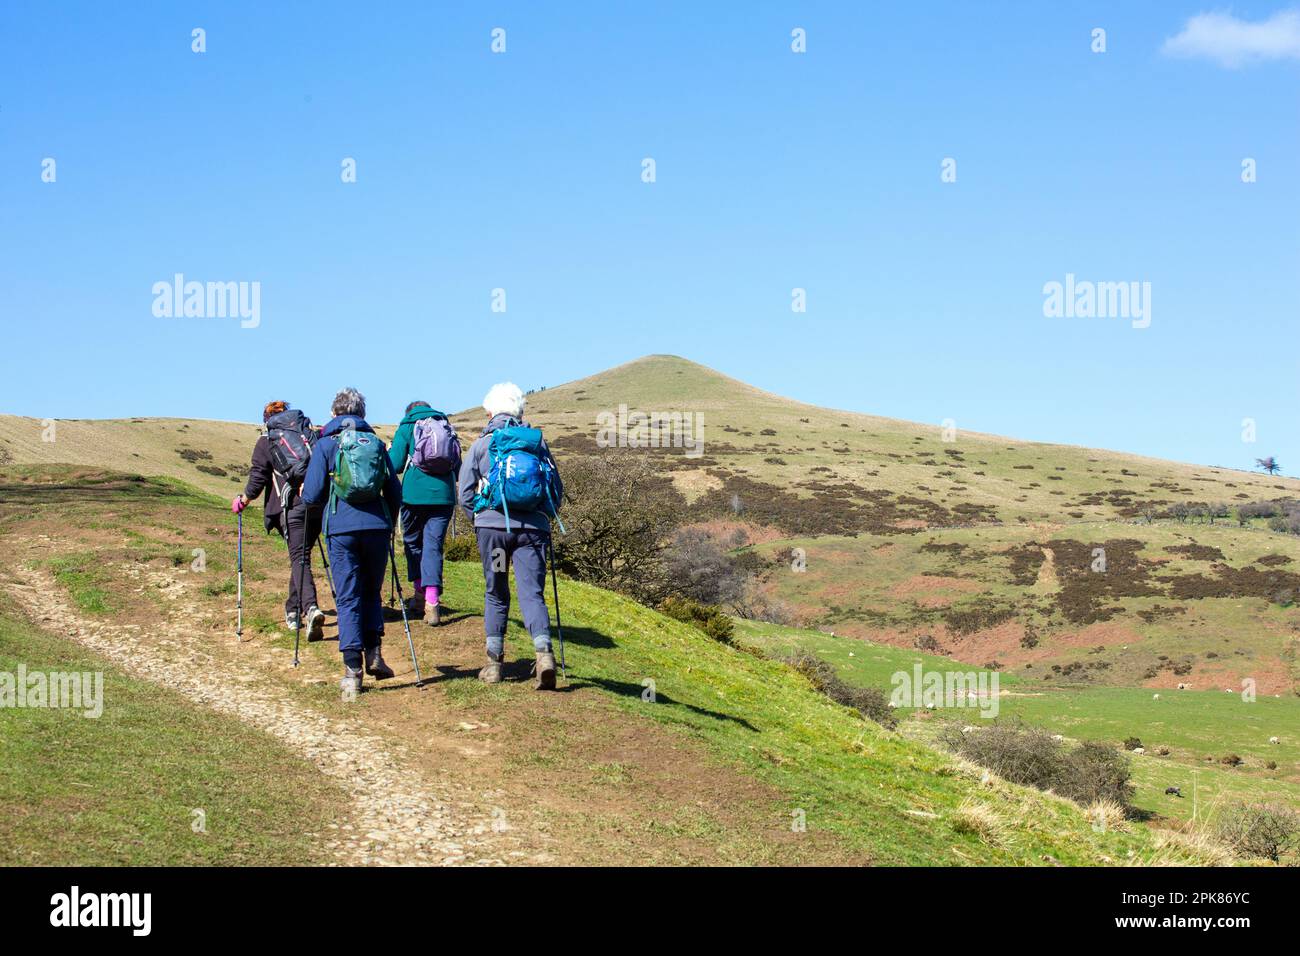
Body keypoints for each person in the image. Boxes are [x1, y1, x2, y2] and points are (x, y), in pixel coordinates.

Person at [457, 382, 563, 689]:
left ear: (490, 412)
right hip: (531, 533)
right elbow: (555, 490)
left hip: (494, 534)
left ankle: (493, 664)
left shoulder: (481, 445)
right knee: (532, 593)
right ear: (520, 411)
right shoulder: (536, 444)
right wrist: (542, 517)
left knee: (497, 591)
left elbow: (464, 494)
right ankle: (543, 656)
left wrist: (479, 520)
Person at [302, 388, 403, 696]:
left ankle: (352, 671)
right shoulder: (374, 443)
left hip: (341, 529)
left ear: (334, 413)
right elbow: (395, 492)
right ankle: (374, 654)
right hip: (376, 527)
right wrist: (389, 521)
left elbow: (312, 495)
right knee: (371, 591)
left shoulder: (326, 444)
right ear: (361, 414)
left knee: (347, 597)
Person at [232, 400, 325, 640]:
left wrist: (243, 500)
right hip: (317, 504)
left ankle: (310, 608)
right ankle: (293, 609)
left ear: (267, 420)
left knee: (299, 557)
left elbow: (258, 477)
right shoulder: (309, 437)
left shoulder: (267, 441)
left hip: (291, 507)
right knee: (302, 556)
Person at [388, 401, 459, 626]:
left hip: (414, 495)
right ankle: (432, 602)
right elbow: (457, 466)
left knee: (413, 543)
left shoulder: (407, 425)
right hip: (444, 495)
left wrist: (391, 449)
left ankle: (420, 594)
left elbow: (396, 464)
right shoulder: (444, 424)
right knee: (433, 545)